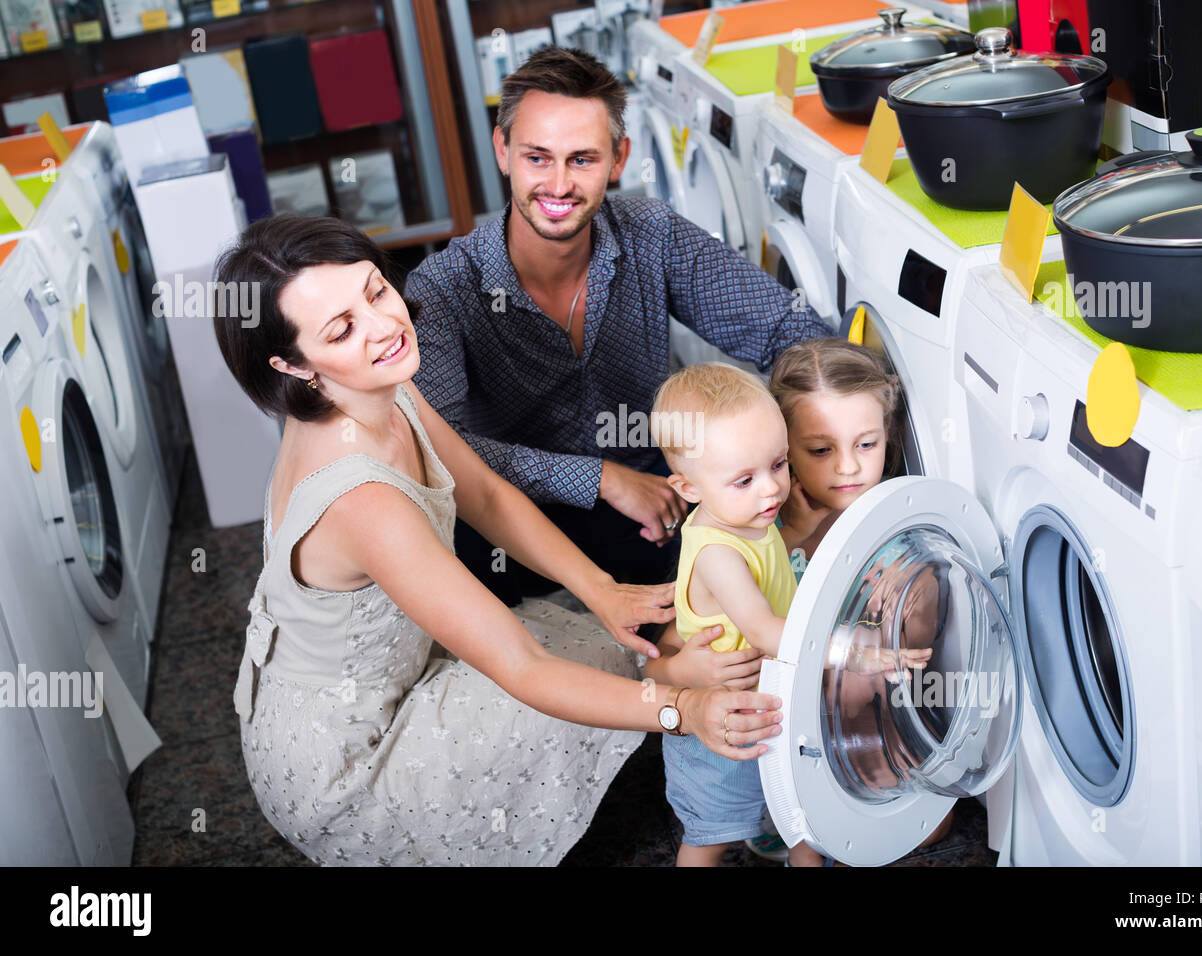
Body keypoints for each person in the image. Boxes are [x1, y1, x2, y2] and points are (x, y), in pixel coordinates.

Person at [213, 215, 783, 866]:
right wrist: (686, 710)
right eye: (341, 330)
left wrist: (604, 592)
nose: (383, 327)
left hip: (383, 671)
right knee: (554, 686)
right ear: (291, 365)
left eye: (375, 291)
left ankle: (652, 677)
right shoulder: (359, 499)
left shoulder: (378, 386)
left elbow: (481, 494)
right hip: (345, 763)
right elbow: (522, 670)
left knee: (587, 644)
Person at [404, 47, 828, 606]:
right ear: (503, 151)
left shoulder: (650, 233)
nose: (557, 185)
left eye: (582, 159)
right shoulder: (442, 287)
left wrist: (772, 455)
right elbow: (434, 448)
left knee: (737, 630)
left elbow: (793, 331)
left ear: (620, 157)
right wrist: (599, 478)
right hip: (507, 521)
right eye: (538, 158)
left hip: (659, 501)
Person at [641, 363, 827, 867]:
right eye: (745, 478)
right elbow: (766, 629)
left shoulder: (747, 515)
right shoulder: (716, 553)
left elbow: (765, 571)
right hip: (718, 729)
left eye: (779, 464)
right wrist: (847, 644)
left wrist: (795, 531)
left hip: (763, 702)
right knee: (711, 834)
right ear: (689, 488)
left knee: (803, 814)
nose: (771, 489)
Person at [770, 337, 951, 845]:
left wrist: (906, 594)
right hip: (782, 723)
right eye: (821, 450)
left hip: (864, 722)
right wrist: (791, 536)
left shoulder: (897, 528)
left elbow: (912, 649)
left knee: (929, 827)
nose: (847, 467)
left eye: (865, 445)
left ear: (889, 437)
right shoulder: (766, 524)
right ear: (783, 448)